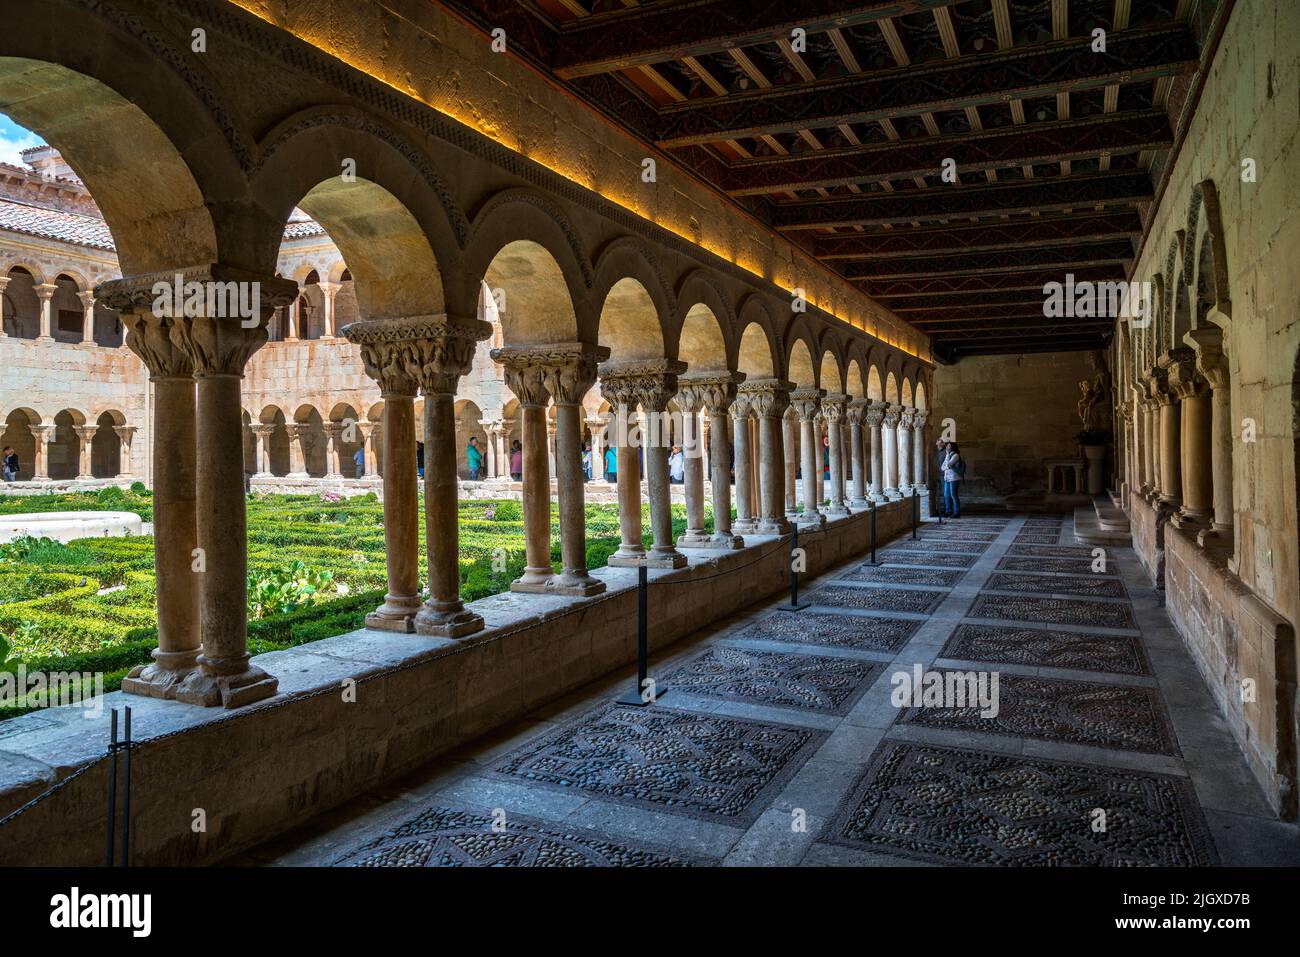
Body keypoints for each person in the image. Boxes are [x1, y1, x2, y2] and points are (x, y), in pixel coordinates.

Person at [941, 440, 964, 518]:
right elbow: (942, 467)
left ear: (953, 447)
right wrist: (947, 457)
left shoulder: (956, 455)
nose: (947, 447)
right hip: (947, 478)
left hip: (954, 478)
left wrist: (947, 457)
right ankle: (948, 511)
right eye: (947, 446)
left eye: (949, 446)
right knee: (946, 495)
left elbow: (948, 464)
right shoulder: (948, 455)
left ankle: (956, 512)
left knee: (953, 495)